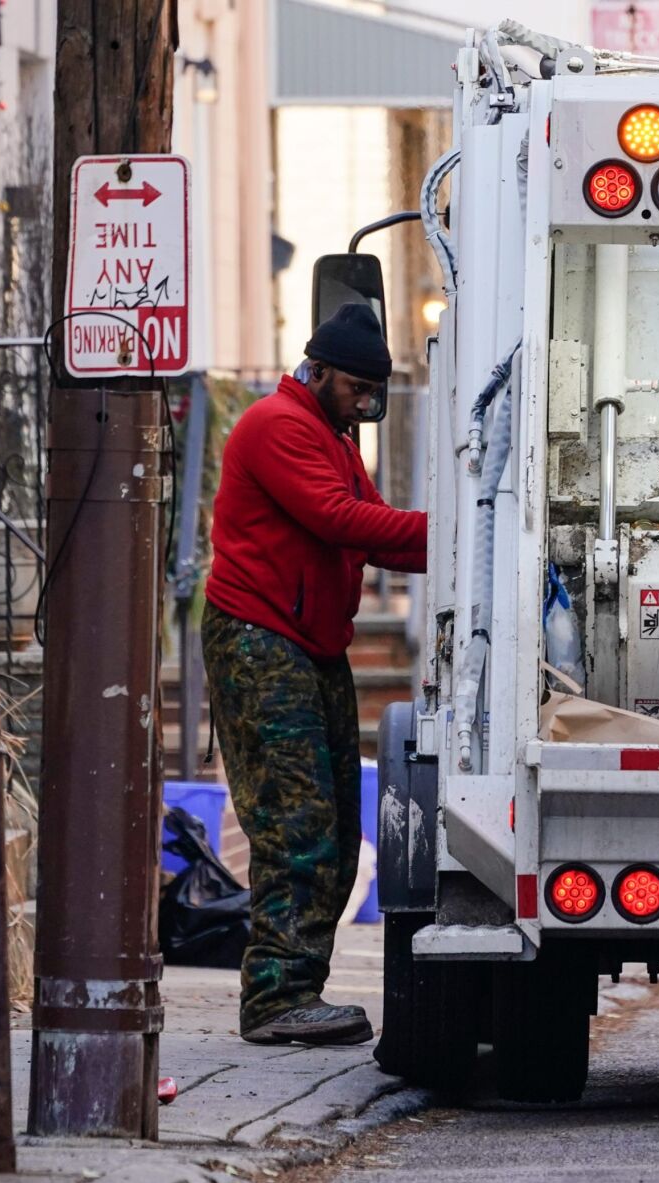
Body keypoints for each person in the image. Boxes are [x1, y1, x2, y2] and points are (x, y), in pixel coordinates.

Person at [202, 303, 427, 1046]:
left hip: (307, 642)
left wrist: (467, 542)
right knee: (293, 820)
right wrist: (455, 531)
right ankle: (275, 998)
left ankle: (298, 989)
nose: (365, 404)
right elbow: (340, 520)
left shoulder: (331, 435)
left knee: (332, 822)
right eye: (356, 389)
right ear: (318, 370)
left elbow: (374, 531)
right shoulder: (278, 425)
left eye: (374, 393)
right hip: (260, 639)